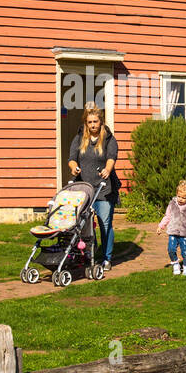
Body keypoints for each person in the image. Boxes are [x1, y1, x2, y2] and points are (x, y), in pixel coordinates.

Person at [68, 103, 119, 271]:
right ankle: (89, 252)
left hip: (104, 188)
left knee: (105, 223)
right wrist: (74, 167)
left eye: (95, 122)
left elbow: (112, 157)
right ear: (86, 123)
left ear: (101, 121)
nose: (93, 125)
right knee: (84, 224)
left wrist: (107, 169)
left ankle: (106, 258)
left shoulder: (109, 138)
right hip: (84, 189)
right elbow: (72, 158)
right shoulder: (80, 137)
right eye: (89, 122)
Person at [157, 179, 186, 275]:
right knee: (171, 249)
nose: (180, 199)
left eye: (183, 198)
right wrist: (161, 226)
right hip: (173, 231)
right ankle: (175, 263)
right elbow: (167, 216)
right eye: (179, 196)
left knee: (185, 251)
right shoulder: (172, 205)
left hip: (185, 232)